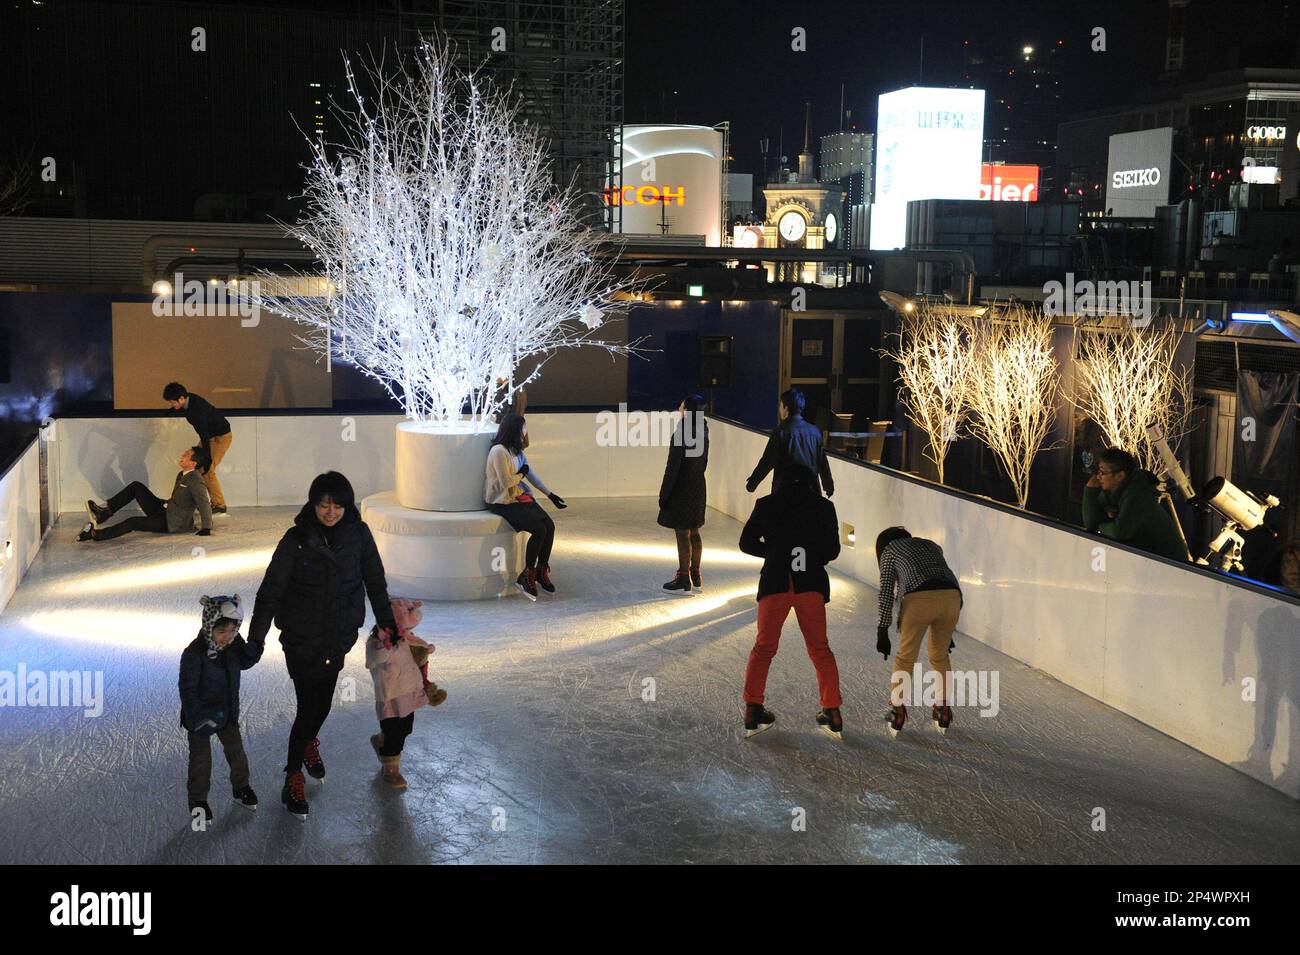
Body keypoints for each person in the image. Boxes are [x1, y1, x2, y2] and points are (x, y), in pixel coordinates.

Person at [247, 471, 398, 820]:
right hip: (301, 637)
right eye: (323, 505)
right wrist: (255, 639)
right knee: (307, 707)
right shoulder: (296, 539)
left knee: (323, 704)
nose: (330, 512)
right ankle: (292, 776)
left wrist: (387, 622)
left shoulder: (358, 535)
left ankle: (309, 743)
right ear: (313, 504)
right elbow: (270, 591)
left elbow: (374, 580)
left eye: (338, 505)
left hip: (336, 635)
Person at [737, 465, 844, 740]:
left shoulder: (767, 504)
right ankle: (832, 712)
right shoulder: (823, 507)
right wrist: (810, 558)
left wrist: (773, 553)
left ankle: (752, 709)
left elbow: (746, 543)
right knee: (821, 649)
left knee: (763, 648)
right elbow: (832, 550)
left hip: (775, 583)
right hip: (811, 585)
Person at [178, 594, 264, 825]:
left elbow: (245, 662)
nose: (228, 637)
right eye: (222, 632)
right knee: (201, 760)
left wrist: (255, 647)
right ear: (209, 627)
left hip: (226, 712)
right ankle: (198, 801)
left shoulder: (234, 645)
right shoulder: (194, 654)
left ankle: (241, 787)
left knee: (236, 752)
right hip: (201, 718)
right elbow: (187, 689)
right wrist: (197, 718)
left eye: (234, 631)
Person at [874, 527, 962, 737]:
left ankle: (898, 711)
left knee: (905, 658)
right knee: (939, 657)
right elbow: (948, 576)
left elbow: (886, 590)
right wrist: (948, 632)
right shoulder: (932, 545)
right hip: (952, 598)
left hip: (918, 598)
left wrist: (882, 628)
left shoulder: (890, 549)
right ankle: (943, 711)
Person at [485, 412, 567, 601]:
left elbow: (531, 474)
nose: (526, 431)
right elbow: (506, 482)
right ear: (515, 430)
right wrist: (521, 474)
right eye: (523, 427)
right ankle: (526, 575)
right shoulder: (499, 451)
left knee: (549, 526)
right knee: (539, 529)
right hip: (501, 502)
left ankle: (541, 570)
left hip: (518, 497)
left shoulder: (517, 452)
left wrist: (550, 494)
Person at [365, 598, 441, 790]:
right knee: (395, 734)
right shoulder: (376, 641)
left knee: (406, 729)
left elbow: (415, 644)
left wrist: (424, 649)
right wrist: (387, 642)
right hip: (390, 697)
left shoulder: (404, 636)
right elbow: (376, 657)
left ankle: (381, 740)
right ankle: (391, 768)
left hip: (408, 692)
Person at [79, 446, 212, 541]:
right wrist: (164, 502)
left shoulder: (196, 480)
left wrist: (206, 528)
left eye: (187, 455)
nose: (182, 455)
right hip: (166, 511)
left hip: (173, 523)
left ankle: (96, 534)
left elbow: (204, 502)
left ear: (193, 463)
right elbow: (179, 499)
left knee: (133, 521)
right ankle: (105, 512)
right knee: (137, 487)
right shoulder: (182, 474)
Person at [1082, 447, 1190, 562]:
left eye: (1103, 472)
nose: (1098, 477)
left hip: (1169, 563)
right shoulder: (1110, 493)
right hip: (1146, 558)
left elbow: (1119, 531)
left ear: (1120, 476)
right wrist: (1090, 491)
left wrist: (1102, 526)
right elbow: (1091, 524)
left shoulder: (1138, 494)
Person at [658, 394, 709, 594]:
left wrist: (664, 493)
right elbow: (704, 462)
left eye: (681, 406)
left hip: (682, 488)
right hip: (698, 485)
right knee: (694, 531)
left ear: (687, 411)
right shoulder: (704, 431)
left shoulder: (681, 433)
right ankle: (695, 573)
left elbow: (672, 467)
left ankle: (683, 577)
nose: (679, 409)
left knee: (682, 533)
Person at [745, 388, 834, 498]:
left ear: (786, 408)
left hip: (785, 491)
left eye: (780, 406)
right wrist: (828, 486)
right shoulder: (815, 431)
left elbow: (767, 461)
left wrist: (752, 483)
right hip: (811, 491)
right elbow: (822, 462)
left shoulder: (780, 432)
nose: (779, 409)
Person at [163, 382, 233, 515]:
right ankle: (184, 500)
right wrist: (171, 410)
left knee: (207, 469)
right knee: (192, 466)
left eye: (173, 402)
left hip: (220, 437)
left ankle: (219, 505)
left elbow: (204, 435)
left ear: (182, 398)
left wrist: (206, 458)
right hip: (209, 436)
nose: (172, 405)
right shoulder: (188, 399)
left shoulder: (197, 411)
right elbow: (205, 434)